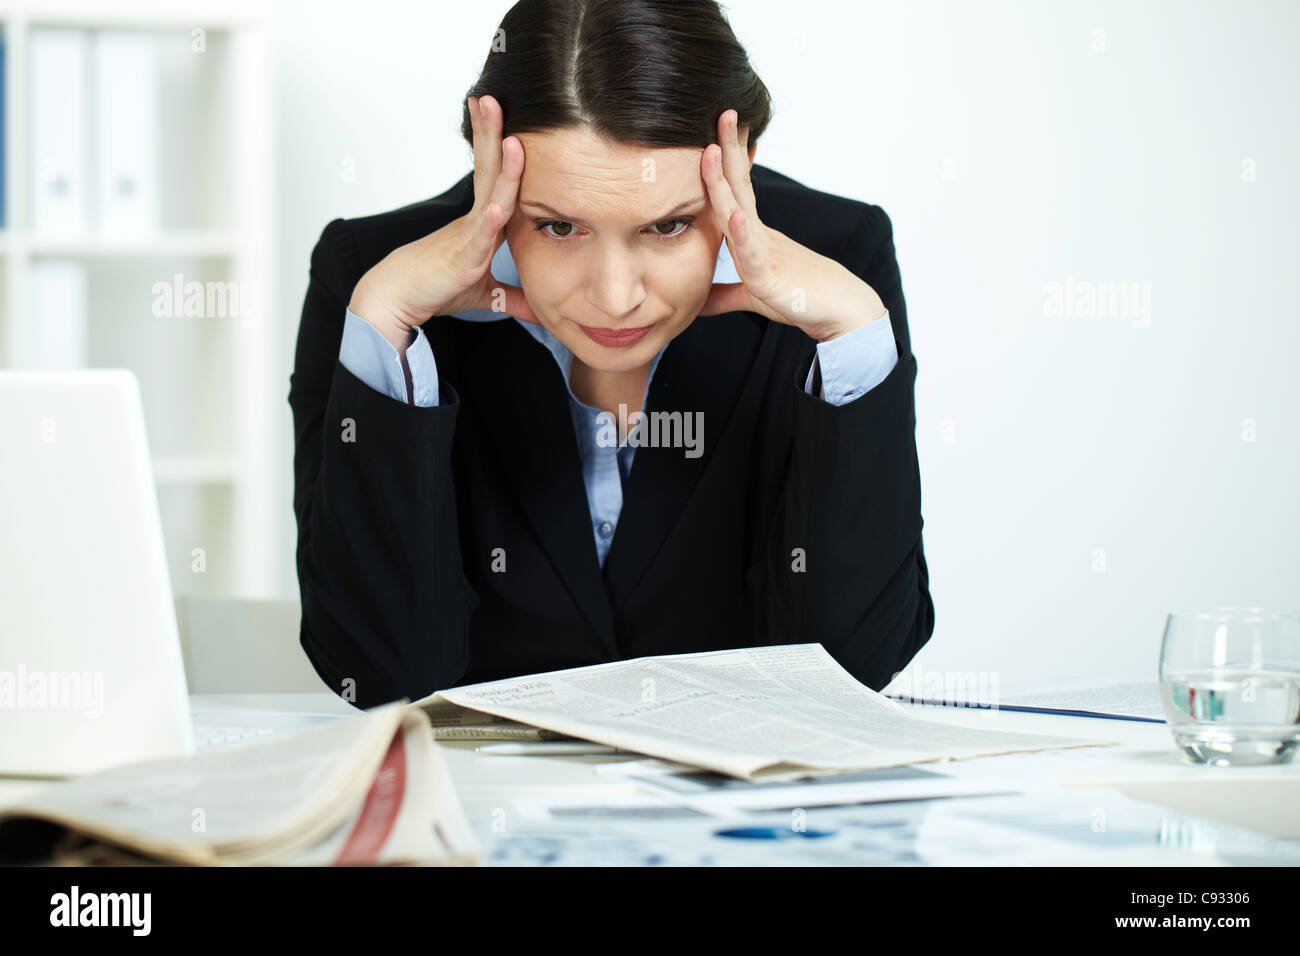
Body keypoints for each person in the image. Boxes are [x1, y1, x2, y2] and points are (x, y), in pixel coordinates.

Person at [289, 0, 934, 710]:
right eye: (559, 225)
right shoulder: (376, 281)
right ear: (487, 161)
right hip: (484, 804)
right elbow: (375, 673)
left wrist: (853, 339)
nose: (616, 296)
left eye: (668, 226)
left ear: (743, 162)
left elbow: (854, 669)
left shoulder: (839, 262)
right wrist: (388, 326)